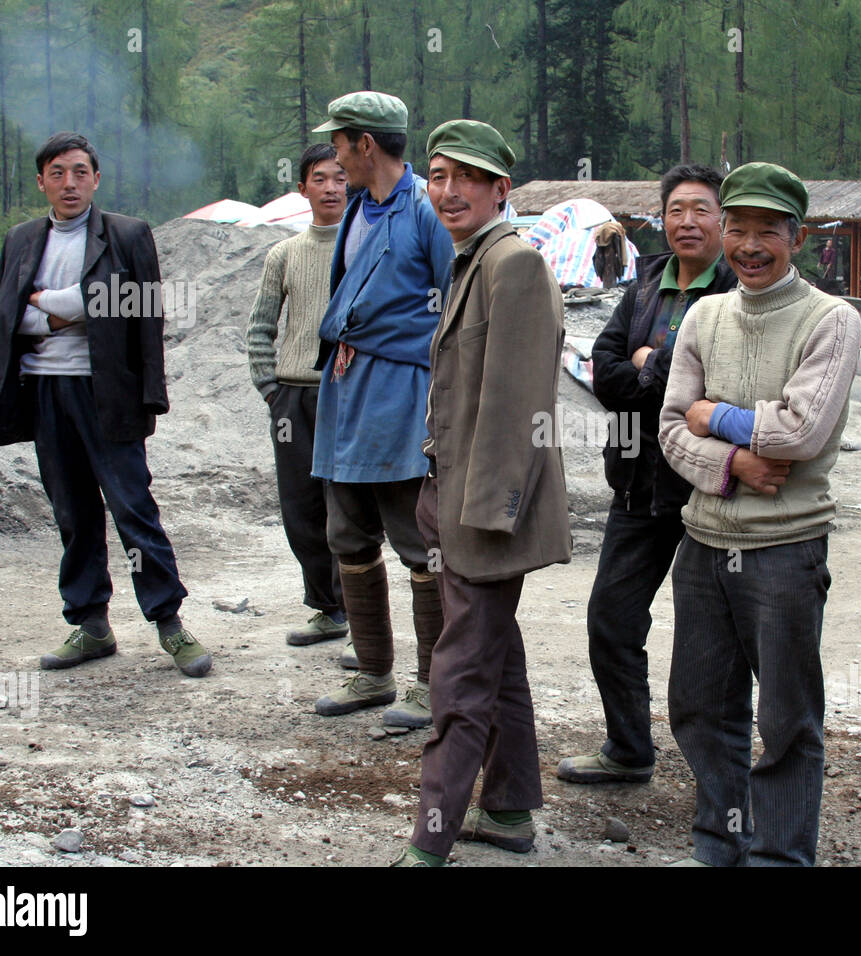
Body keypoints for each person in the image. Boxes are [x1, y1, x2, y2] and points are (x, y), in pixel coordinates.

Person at [659, 162, 860, 865]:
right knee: (701, 706)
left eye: (765, 231)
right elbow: (668, 429)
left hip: (785, 547)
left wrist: (715, 414)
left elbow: (801, 431)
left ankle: (778, 856)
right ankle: (720, 840)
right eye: (736, 228)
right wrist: (732, 461)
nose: (748, 245)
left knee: (785, 719)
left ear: (794, 238)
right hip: (703, 541)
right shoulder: (703, 315)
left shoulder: (830, 319)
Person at [393, 120, 570, 866]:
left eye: (466, 177)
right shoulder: (475, 261)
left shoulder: (513, 265)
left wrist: (489, 517)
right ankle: (507, 813)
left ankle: (431, 842)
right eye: (437, 175)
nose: (448, 190)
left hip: (488, 512)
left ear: (502, 189)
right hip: (458, 501)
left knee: (459, 671)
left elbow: (518, 406)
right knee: (497, 663)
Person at [0, 132, 210, 677]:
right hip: (43, 390)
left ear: (96, 178)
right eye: (57, 173)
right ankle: (90, 624)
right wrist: (72, 308)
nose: (70, 183)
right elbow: (9, 320)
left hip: (107, 392)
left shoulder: (126, 235)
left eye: (80, 172)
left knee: (132, 507)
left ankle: (170, 622)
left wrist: (50, 304)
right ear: (42, 182)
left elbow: (143, 312)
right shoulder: (21, 239)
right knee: (73, 513)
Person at [557, 164, 736, 785]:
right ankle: (629, 749)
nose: (687, 222)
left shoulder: (737, 291)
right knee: (612, 618)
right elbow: (601, 370)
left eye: (701, 210)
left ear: (723, 220)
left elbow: (718, 390)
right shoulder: (643, 286)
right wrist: (655, 370)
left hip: (710, 492)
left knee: (708, 640)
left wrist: (647, 363)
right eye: (676, 210)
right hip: (637, 483)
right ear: (662, 218)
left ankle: (720, 783)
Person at [307, 91, 452, 726]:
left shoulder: (424, 211)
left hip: (400, 397)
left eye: (340, 143)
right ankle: (372, 674)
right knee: (346, 531)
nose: (335, 156)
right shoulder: (360, 209)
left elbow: (455, 309)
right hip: (346, 393)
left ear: (366, 144)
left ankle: (431, 683)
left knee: (417, 541)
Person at [246, 143, 349, 649]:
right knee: (302, 507)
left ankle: (364, 618)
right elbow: (260, 326)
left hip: (350, 396)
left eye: (340, 178)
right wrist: (270, 388)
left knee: (352, 508)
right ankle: (327, 609)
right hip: (294, 399)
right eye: (320, 178)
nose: (331, 188)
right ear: (303, 187)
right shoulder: (283, 254)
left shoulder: (367, 246)